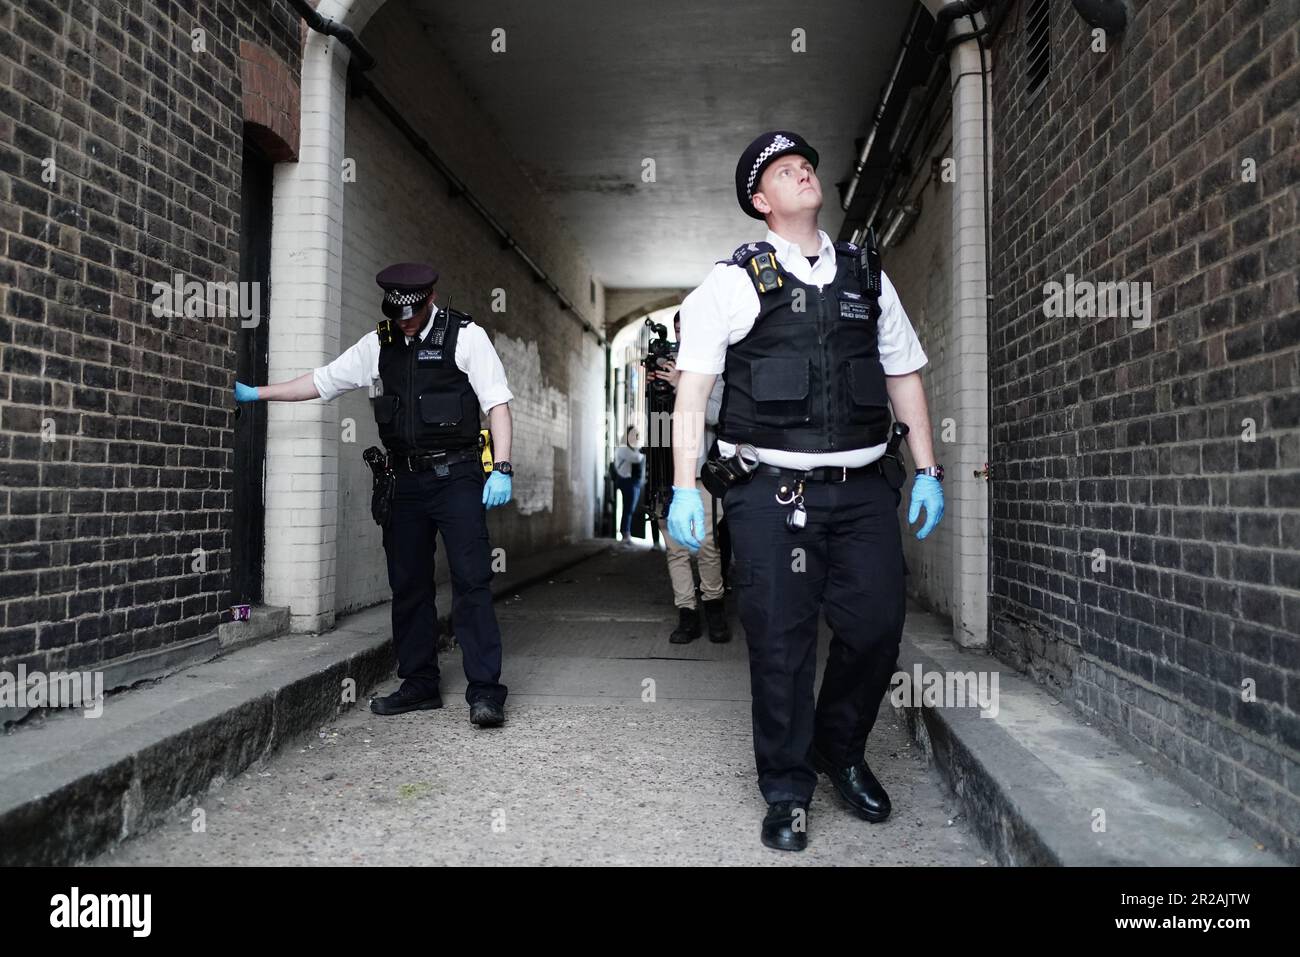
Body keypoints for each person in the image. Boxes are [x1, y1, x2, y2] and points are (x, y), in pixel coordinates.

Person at [668, 132, 945, 851]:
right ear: (760, 202)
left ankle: (839, 745)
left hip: (861, 492)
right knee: (783, 642)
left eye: (806, 165)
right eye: (782, 171)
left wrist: (929, 468)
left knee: (878, 624)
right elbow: (694, 390)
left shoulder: (867, 275)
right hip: (770, 495)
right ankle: (787, 785)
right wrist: (685, 485)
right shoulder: (731, 282)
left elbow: (903, 373)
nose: (801, 171)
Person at [233, 262, 515, 728]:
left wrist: (500, 467)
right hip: (403, 481)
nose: (404, 321)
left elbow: (497, 404)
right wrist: (258, 393)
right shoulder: (378, 344)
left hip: (458, 477)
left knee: (471, 582)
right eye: (396, 313)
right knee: (408, 586)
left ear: (430, 298)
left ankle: (485, 692)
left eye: (412, 312)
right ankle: (420, 684)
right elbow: (322, 382)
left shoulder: (466, 336)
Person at [651, 312, 729, 644]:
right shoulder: (664, 364)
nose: (682, 338)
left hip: (701, 474)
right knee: (676, 550)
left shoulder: (715, 368)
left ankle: (714, 607)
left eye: (688, 330)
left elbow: (717, 415)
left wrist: (682, 385)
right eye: (678, 331)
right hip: (665, 473)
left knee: (707, 546)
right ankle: (687, 613)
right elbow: (653, 425)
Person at [613, 426, 645, 544]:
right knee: (628, 508)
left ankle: (626, 533)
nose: (634, 438)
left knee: (629, 508)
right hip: (627, 480)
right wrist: (642, 452)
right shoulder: (623, 449)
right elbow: (636, 458)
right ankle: (625, 533)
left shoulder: (632, 448)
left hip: (634, 481)